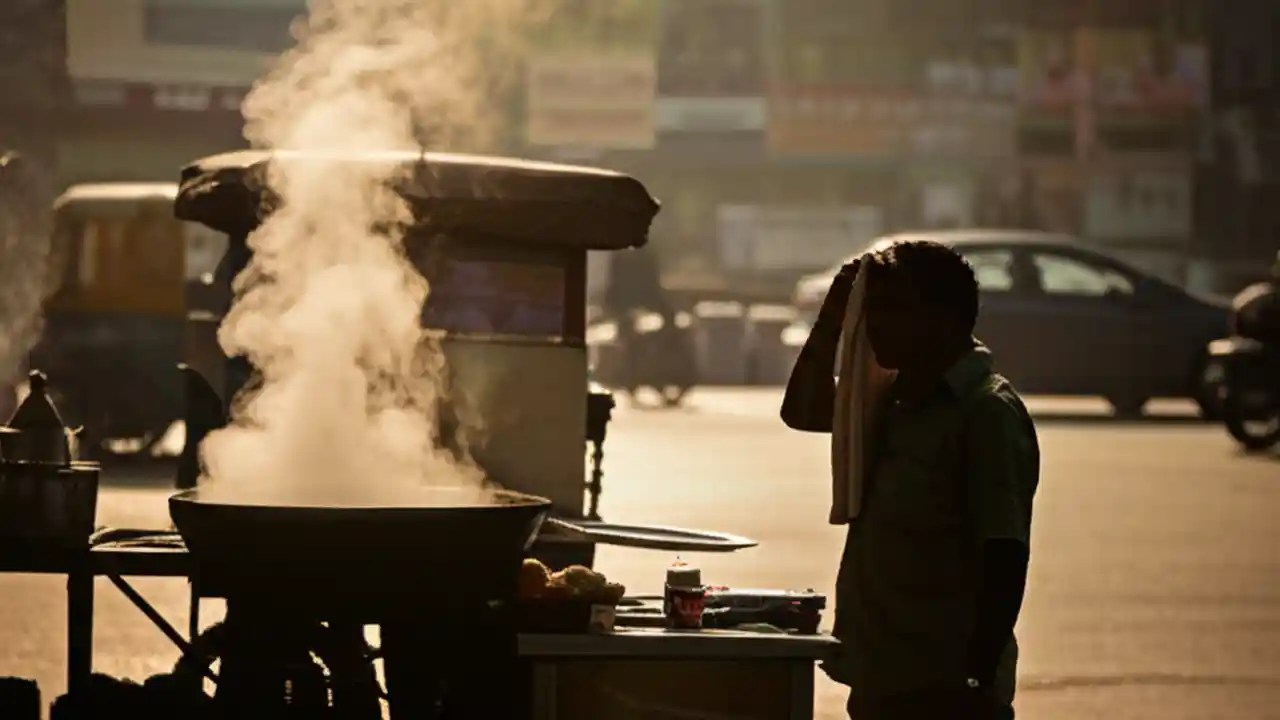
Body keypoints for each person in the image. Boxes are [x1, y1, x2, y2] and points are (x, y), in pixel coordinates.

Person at [781, 240, 1039, 720]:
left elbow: (1004, 555)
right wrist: (834, 317)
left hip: (945, 687)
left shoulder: (984, 411)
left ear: (944, 318)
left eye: (894, 309)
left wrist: (975, 678)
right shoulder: (894, 399)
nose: (876, 325)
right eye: (872, 309)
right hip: (884, 674)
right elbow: (800, 411)